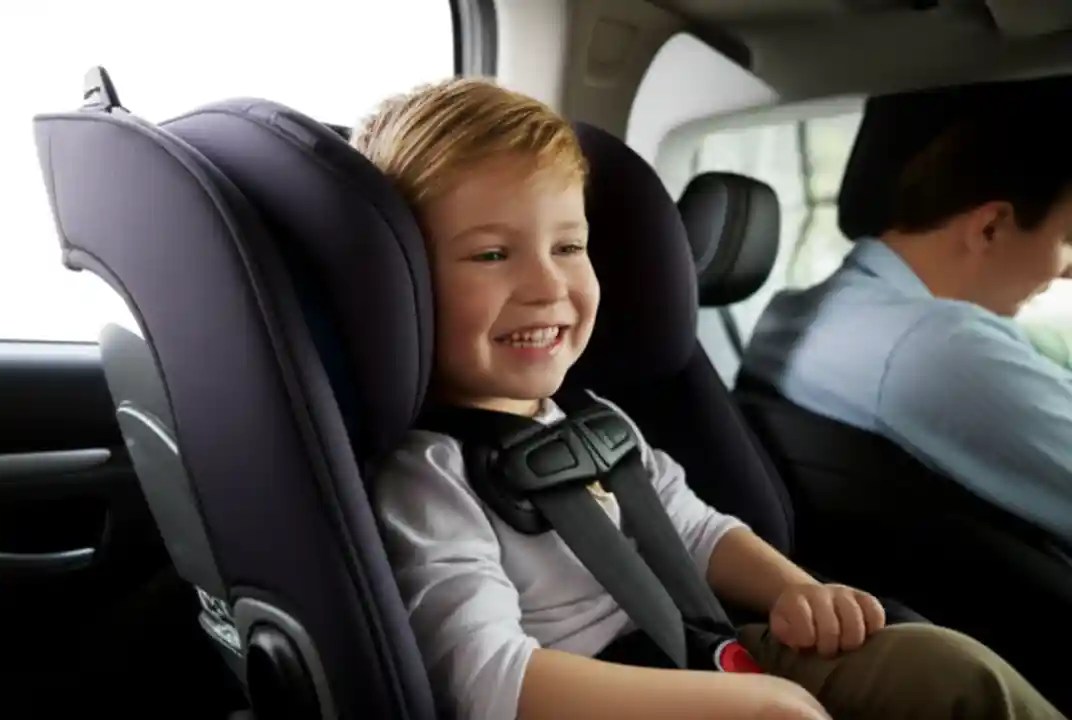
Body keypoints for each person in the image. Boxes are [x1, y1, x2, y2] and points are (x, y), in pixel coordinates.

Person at [351, 78, 1061, 720]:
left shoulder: (596, 425)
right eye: (492, 255)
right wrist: (740, 704)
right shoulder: (431, 480)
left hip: (701, 652)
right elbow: (488, 683)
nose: (548, 286)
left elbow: (694, 529)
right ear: (404, 282)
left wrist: (794, 590)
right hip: (606, 699)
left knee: (945, 669)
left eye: (568, 247)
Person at [741, 109, 1072, 545]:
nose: (1067, 272)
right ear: (990, 228)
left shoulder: (791, 314)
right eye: (1068, 240)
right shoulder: (942, 347)